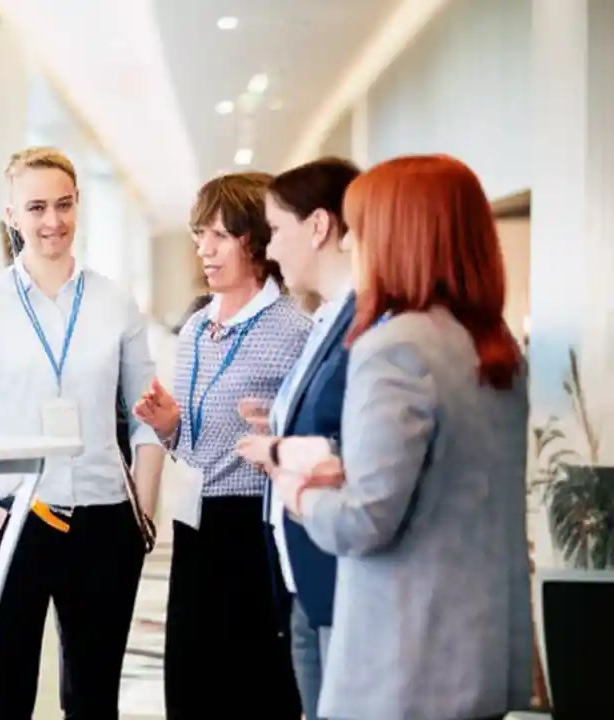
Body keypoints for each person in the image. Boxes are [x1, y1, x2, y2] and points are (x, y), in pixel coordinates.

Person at [270, 154, 532, 720]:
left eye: (359, 231)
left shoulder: (397, 347)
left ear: (399, 237)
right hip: (481, 655)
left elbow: (363, 522)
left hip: (406, 670)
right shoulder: (495, 344)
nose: (348, 245)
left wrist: (294, 489)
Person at [0, 146, 166, 718]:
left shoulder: (115, 302)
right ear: (12, 215)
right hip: (11, 521)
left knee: (93, 700)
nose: (52, 221)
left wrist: (144, 513)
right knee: (2, 698)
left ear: (78, 205)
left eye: (63, 205)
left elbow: (147, 416)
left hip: (104, 519)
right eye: (36, 207)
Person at [134, 172, 308, 718]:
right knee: (190, 682)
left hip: (254, 527)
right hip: (194, 521)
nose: (203, 250)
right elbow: (191, 438)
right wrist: (168, 424)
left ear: (255, 240)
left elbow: (310, 438)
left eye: (219, 235)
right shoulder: (194, 329)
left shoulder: (294, 331)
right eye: (198, 235)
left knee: (253, 685)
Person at [232, 157, 361, 720]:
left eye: (278, 230)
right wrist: (280, 422)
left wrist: (280, 451)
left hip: (336, 567)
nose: (273, 248)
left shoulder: (365, 323)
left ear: (318, 227)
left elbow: (358, 442)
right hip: (305, 572)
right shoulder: (331, 316)